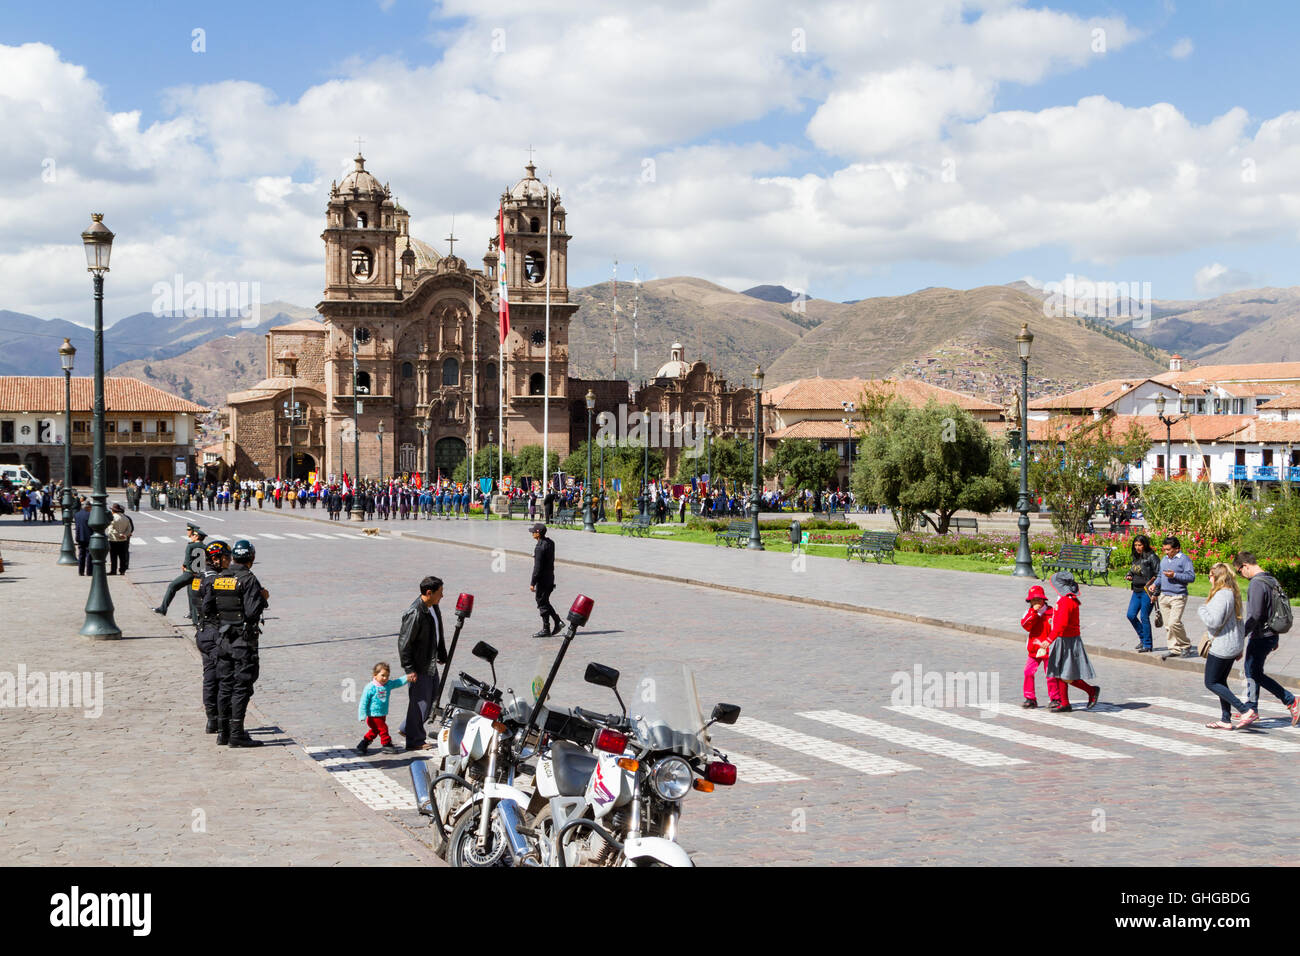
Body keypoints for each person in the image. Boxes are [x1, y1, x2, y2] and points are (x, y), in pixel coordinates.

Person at [206, 539, 269, 747]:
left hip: (223, 638)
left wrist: (223, 624)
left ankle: (222, 733)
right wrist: (262, 598)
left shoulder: (219, 578)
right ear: (251, 558)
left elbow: (206, 608)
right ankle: (236, 734)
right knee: (241, 686)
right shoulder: (248, 579)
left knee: (225, 685)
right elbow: (251, 612)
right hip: (243, 640)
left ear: (233, 557)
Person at [1231, 551, 1299, 729]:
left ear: (1245, 565)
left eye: (1239, 571)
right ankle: (1252, 709)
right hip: (1271, 634)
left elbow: (1255, 615)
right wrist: (1274, 637)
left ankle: (1291, 701)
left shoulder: (1256, 583)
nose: (1241, 575)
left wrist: (1241, 635)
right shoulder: (1271, 579)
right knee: (1253, 671)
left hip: (1261, 635)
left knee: (1253, 672)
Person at [397, 576, 448, 751]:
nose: (442, 596)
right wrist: (409, 669)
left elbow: (437, 631)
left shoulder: (433, 607)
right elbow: (404, 643)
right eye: (440, 593)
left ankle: (407, 728)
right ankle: (415, 740)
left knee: (433, 698)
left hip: (430, 662)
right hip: (420, 666)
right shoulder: (415, 613)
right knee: (421, 702)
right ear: (429, 593)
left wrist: (441, 652)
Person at [1198, 562, 1251, 730]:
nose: (1209, 580)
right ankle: (1225, 719)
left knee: (1211, 682)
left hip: (1222, 646)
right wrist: (1240, 646)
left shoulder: (1222, 595)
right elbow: (1240, 621)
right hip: (1231, 644)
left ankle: (1244, 710)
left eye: (1210, 576)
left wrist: (1202, 609)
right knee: (1221, 681)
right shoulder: (1233, 593)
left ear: (1217, 577)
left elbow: (1214, 621)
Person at [1044, 571, 1100, 712]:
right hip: (1064, 638)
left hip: (1067, 640)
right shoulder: (1066, 598)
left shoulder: (1066, 600)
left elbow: (1062, 624)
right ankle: (1065, 703)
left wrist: (1048, 640)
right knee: (1059, 672)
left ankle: (1091, 691)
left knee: (1066, 674)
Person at [194, 540, 231, 734]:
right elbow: (209, 604)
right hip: (215, 631)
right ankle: (223, 721)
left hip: (202, 632)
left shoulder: (199, 576)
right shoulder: (215, 579)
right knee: (224, 677)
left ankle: (211, 720)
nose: (229, 561)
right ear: (216, 558)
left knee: (209, 677)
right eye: (227, 557)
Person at [1151, 535, 1196, 659]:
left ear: (1177, 549)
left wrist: (1174, 575)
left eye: (1168, 549)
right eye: (1164, 549)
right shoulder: (1164, 559)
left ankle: (1185, 645)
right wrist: (1154, 585)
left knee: (1174, 622)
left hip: (1178, 596)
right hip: (1164, 595)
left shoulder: (1184, 560)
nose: (1166, 552)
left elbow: (1191, 577)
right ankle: (1174, 648)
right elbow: (1160, 575)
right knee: (1167, 625)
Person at [1020, 584, 1062, 709]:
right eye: (1033, 600)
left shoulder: (1052, 612)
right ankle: (1030, 698)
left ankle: (1055, 698)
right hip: (1034, 648)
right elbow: (1026, 625)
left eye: (1039, 599)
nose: (1036, 602)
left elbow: (1057, 628)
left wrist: (1049, 641)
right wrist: (1034, 612)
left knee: (1050, 674)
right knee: (1028, 672)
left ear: (1044, 599)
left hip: (1049, 648)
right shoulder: (1029, 613)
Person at [355, 661, 409, 755]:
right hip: (373, 715)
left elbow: (398, 682)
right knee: (383, 728)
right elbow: (363, 702)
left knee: (375, 731)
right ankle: (386, 744)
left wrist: (407, 678)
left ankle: (363, 744)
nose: (385, 678)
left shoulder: (387, 685)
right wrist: (362, 715)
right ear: (375, 675)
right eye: (382, 675)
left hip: (382, 714)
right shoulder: (370, 687)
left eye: (387, 676)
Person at [155, 525, 206, 618]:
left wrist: (185, 566)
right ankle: (195, 619)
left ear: (197, 536)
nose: (192, 537)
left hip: (189, 573)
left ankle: (163, 608)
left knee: (172, 586)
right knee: (193, 595)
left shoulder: (190, 546)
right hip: (199, 574)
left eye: (193, 535)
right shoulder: (205, 547)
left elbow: (186, 561)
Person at [1124, 534, 1159, 652]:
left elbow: (1158, 575)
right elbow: (1134, 569)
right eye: (1135, 545)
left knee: (1144, 617)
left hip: (1147, 592)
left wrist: (1156, 593)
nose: (1137, 547)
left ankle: (1148, 645)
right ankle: (1143, 638)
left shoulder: (1152, 557)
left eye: (1140, 545)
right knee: (1131, 615)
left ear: (1145, 545)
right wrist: (1129, 575)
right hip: (1136, 591)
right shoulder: (1136, 557)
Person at [529, 522, 563, 638]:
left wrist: (533, 583)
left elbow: (537, 568)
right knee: (545, 601)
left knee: (541, 602)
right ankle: (558, 622)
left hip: (542, 579)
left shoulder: (539, 547)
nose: (532, 533)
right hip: (550, 577)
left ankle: (546, 628)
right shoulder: (550, 543)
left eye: (533, 532)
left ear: (538, 534)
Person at [106, 503, 133, 574]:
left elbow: (111, 529)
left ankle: (113, 570)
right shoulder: (125, 518)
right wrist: (124, 535)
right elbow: (129, 529)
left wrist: (118, 534)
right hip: (123, 539)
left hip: (113, 539)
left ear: (113, 510)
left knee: (113, 556)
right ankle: (122, 570)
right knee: (122, 556)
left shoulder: (112, 517)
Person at [74, 500, 92, 575]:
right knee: (89, 555)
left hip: (80, 536)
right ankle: (89, 571)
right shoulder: (90, 515)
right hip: (88, 537)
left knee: (81, 555)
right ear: (88, 507)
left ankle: (81, 571)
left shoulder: (77, 514)